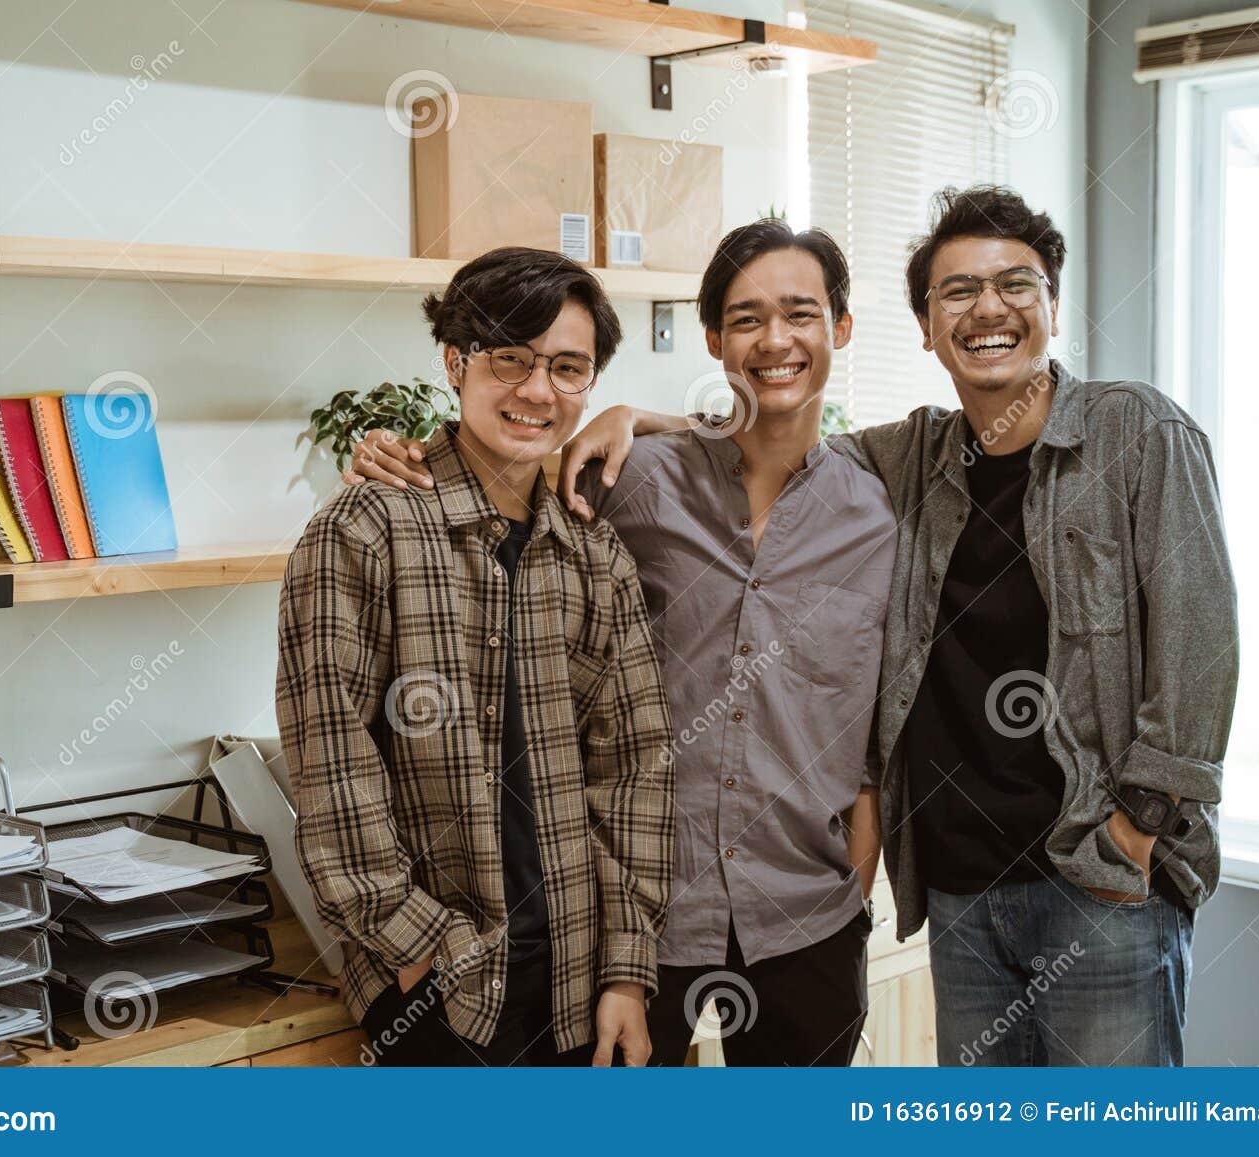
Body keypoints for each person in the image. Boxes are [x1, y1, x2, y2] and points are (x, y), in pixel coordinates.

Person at [548, 186, 1240, 1067]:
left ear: (1052, 306)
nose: (988, 308)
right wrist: (634, 417)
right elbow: (770, 434)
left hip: (1099, 883)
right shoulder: (910, 460)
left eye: (1014, 285)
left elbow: (1202, 645)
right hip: (958, 892)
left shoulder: (1136, 434)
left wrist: (1138, 827)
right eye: (957, 292)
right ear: (924, 325)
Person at [343, 221, 895, 1066]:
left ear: (842, 328)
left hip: (806, 918)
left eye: (801, 314)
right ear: (713, 338)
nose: (775, 339)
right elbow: (502, 462)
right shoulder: (623, 481)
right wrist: (397, 452)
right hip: (635, 931)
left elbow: (875, 739)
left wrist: (854, 889)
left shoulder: (884, 510)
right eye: (746, 318)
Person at [276, 246, 675, 1066]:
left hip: (582, 986)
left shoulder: (595, 555)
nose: (537, 391)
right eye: (510, 359)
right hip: (433, 992)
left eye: (568, 368)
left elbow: (635, 766)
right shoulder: (363, 531)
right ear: (456, 363)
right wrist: (423, 954)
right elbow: (333, 765)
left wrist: (628, 971)